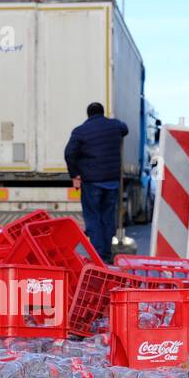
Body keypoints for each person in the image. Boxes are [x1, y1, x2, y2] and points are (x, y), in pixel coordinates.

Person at [64, 102, 128, 264]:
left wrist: (75, 175)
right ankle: (106, 254)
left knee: (93, 218)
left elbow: (69, 153)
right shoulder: (114, 126)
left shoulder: (81, 131)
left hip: (92, 183)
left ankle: (98, 256)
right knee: (107, 218)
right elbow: (124, 128)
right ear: (102, 112)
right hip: (112, 182)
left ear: (88, 114)